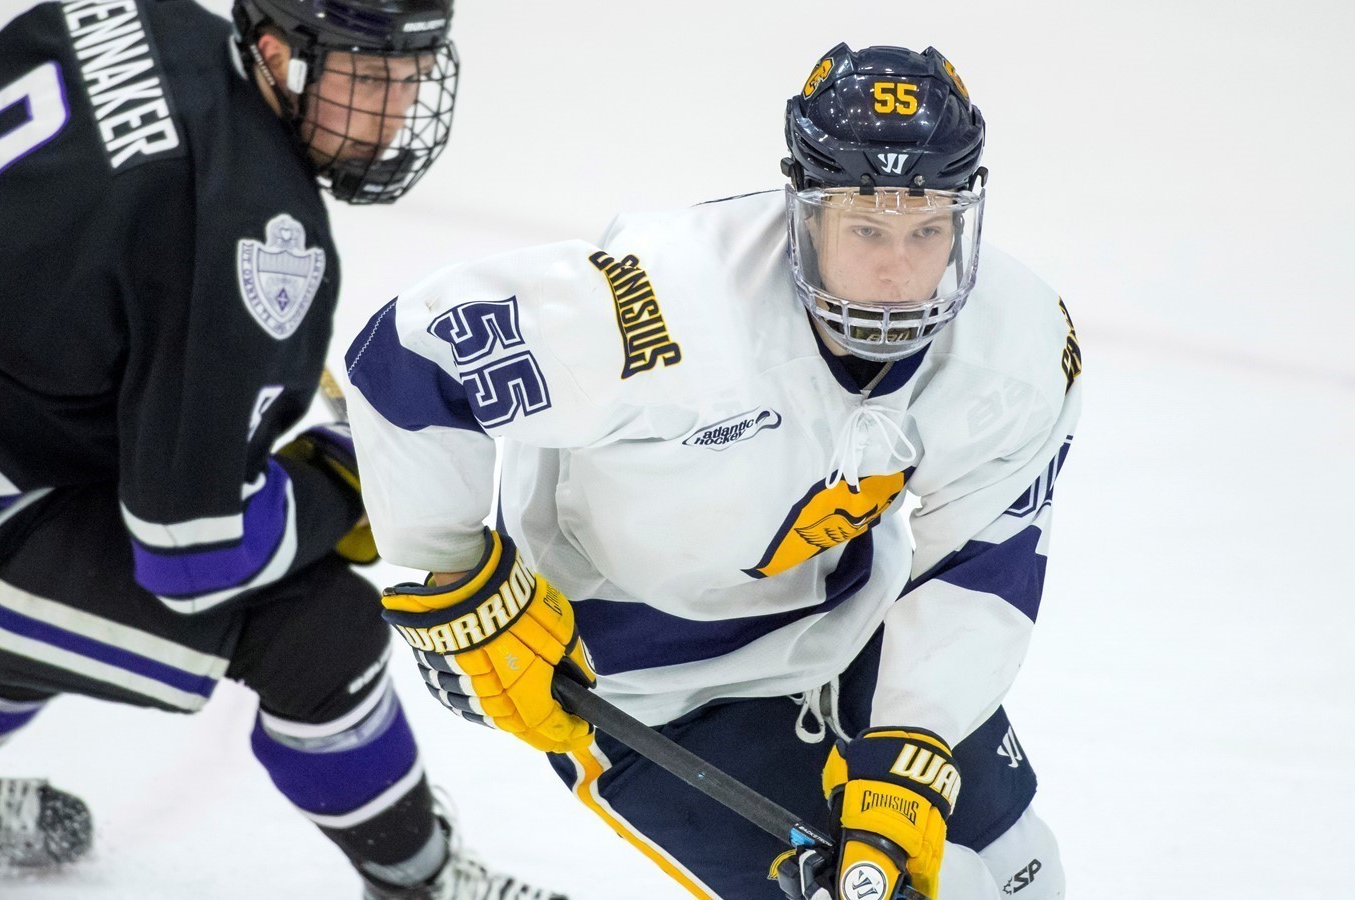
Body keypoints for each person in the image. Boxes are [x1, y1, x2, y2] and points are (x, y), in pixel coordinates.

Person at [345, 42, 1080, 899]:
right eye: (866, 227)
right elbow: (413, 351)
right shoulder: (670, 303)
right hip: (645, 688)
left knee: (1019, 871)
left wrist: (913, 740)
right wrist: (461, 579)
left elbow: (981, 558)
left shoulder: (1014, 342)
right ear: (803, 210)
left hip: (850, 628)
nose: (896, 272)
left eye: (927, 229)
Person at [0, 1, 566, 897]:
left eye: (412, 74)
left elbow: (112, 265)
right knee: (317, 634)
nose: (396, 111)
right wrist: (336, 494)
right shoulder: (245, 220)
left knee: (75, 554)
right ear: (275, 52)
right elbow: (194, 552)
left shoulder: (131, 20)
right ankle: (422, 880)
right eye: (371, 74)